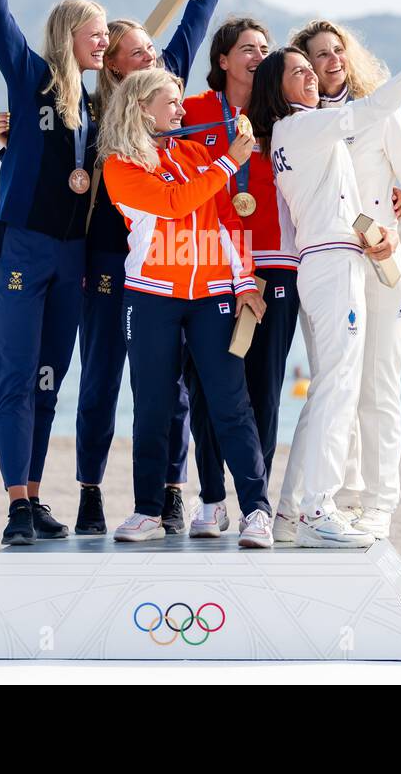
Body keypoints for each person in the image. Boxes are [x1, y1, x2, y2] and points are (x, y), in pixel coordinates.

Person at [246, 19, 401, 547]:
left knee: (342, 389)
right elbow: (365, 114)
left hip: (332, 265)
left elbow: (400, 181)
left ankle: (295, 510)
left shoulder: (296, 133)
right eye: (306, 64)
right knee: (339, 388)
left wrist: (400, 221)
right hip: (337, 264)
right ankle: (318, 508)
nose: (324, 67)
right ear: (287, 84)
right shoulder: (313, 125)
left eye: (337, 53)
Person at [75, 0, 233, 537]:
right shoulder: (90, 113)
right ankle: (91, 491)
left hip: (163, 262)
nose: (150, 59)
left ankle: (171, 491)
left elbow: (193, 26)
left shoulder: (163, 94)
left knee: (171, 382)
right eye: (135, 52)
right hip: (107, 259)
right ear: (111, 63)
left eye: (150, 49)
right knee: (101, 378)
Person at [0, 0, 108, 545]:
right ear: (68, 34)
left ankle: (35, 497)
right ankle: (16, 505)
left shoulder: (95, 105)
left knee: (51, 379)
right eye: (96, 31)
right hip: (23, 246)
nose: (105, 41)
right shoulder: (29, 78)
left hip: (73, 254)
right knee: (16, 376)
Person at [99, 69, 273, 547]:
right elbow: (175, 204)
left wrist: (242, 284)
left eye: (180, 101)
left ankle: (256, 511)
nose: (180, 111)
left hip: (212, 296)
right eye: (171, 102)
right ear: (140, 108)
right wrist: (224, 164)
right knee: (153, 407)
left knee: (231, 404)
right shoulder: (120, 165)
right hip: (151, 295)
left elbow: (222, 222)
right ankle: (147, 511)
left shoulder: (196, 153)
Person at [171, 17, 294, 537]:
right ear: (222, 59)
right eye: (247, 48)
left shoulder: (283, 111)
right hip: (212, 260)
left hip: (272, 261)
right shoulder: (193, 111)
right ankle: (213, 499)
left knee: (262, 387)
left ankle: (256, 506)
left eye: (264, 49)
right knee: (208, 386)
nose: (257, 56)